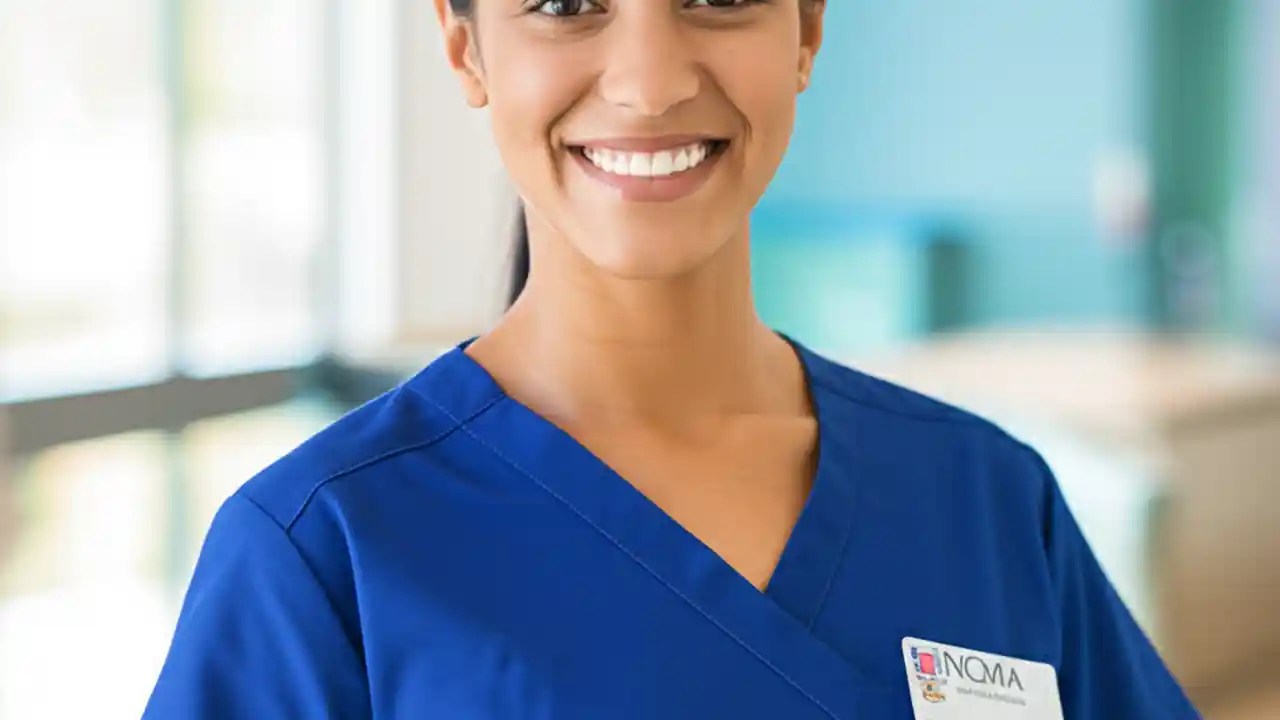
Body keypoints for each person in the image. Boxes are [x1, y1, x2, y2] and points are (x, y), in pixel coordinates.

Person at [143, 0, 1200, 717]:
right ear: (464, 48)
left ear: (806, 29)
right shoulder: (322, 555)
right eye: (564, 2)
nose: (648, 83)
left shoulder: (986, 500)